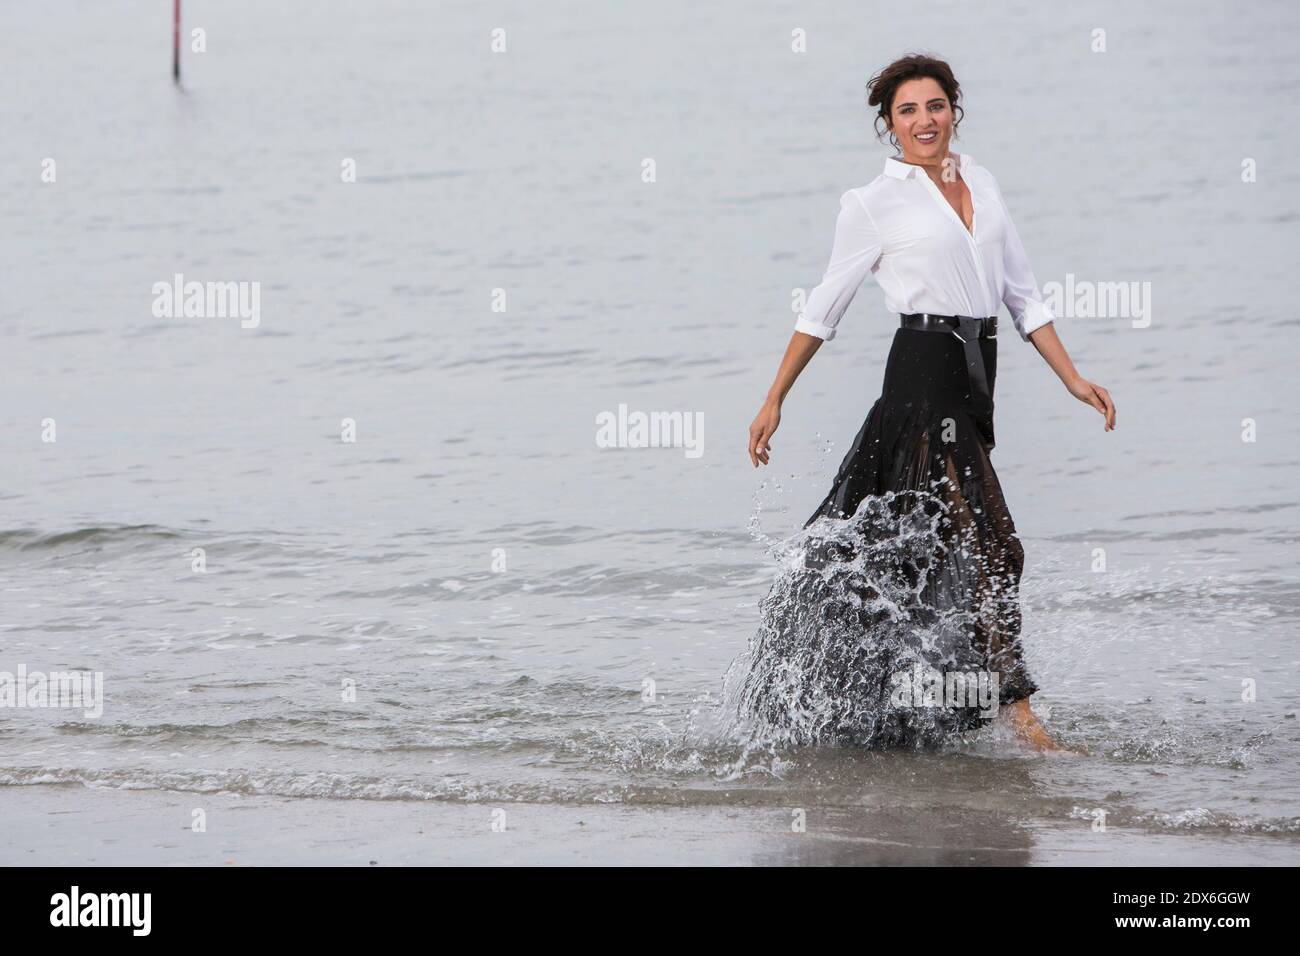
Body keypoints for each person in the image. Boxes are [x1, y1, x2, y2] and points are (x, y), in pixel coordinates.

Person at [743, 54, 1115, 752]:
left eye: (936, 106)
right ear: (889, 125)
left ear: (955, 110)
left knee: (929, 552)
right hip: (920, 379)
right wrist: (774, 398)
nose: (925, 121)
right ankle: (1022, 718)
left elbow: (1022, 293)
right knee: (990, 544)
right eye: (908, 111)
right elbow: (824, 306)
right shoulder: (872, 203)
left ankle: (903, 716)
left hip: (975, 381)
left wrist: (1071, 377)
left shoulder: (982, 180)